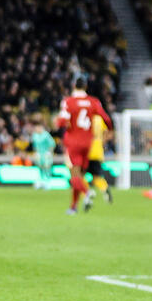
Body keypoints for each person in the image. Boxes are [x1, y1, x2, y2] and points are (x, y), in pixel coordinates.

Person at [55, 78, 113, 215]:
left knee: (73, 175)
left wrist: (61, 123)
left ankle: (87, 192)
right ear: (86, 86)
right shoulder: (94, 101)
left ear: (74, 86)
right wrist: (110, 129)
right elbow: (107, 119)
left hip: (73, 142)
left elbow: (62, 121)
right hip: (88, 143)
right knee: (79, 175)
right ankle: (73, 207)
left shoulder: (68, 101)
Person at [85, 112, 114, 205]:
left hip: (87, 150)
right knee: (96, 176)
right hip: (98, 151)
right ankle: (105, 188)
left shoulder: (86, 118)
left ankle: (86, 193)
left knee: (79, 175)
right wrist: (102, 142)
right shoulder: (99, 119)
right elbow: (107, 133)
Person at [30, 115, 55, 190]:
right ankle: (40, 181)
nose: (36, 129)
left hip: (46, 153)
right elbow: (35, 145)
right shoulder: (34, 135)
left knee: (47, 167)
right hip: (39, 154)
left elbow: (52, 144)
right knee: (40, 167)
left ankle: (47, 182)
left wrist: (49, 152)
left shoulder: (46, 134)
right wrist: (36, 153)